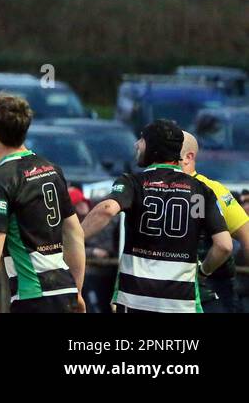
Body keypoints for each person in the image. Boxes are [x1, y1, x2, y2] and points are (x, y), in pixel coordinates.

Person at [79, 121, 232, 313]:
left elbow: (107, 209)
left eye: (141, 140)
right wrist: (203, 272)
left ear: (154, 148)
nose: (136, 145)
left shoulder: (134, 183)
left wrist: (72, 239)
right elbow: (224, 246)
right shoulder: (199, 191)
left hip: (135, 298)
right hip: (181, 302)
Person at [0, 94, 86, 313]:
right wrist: (77, 290)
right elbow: (75, 233)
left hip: (34, 296)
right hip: (64, 290)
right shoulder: (51, 169)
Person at [179, 131, 249, 312]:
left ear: (188, 157)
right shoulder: (213, 189)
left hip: (207, 292)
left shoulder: (213, 190)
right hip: (204, 290)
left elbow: (245, 241)